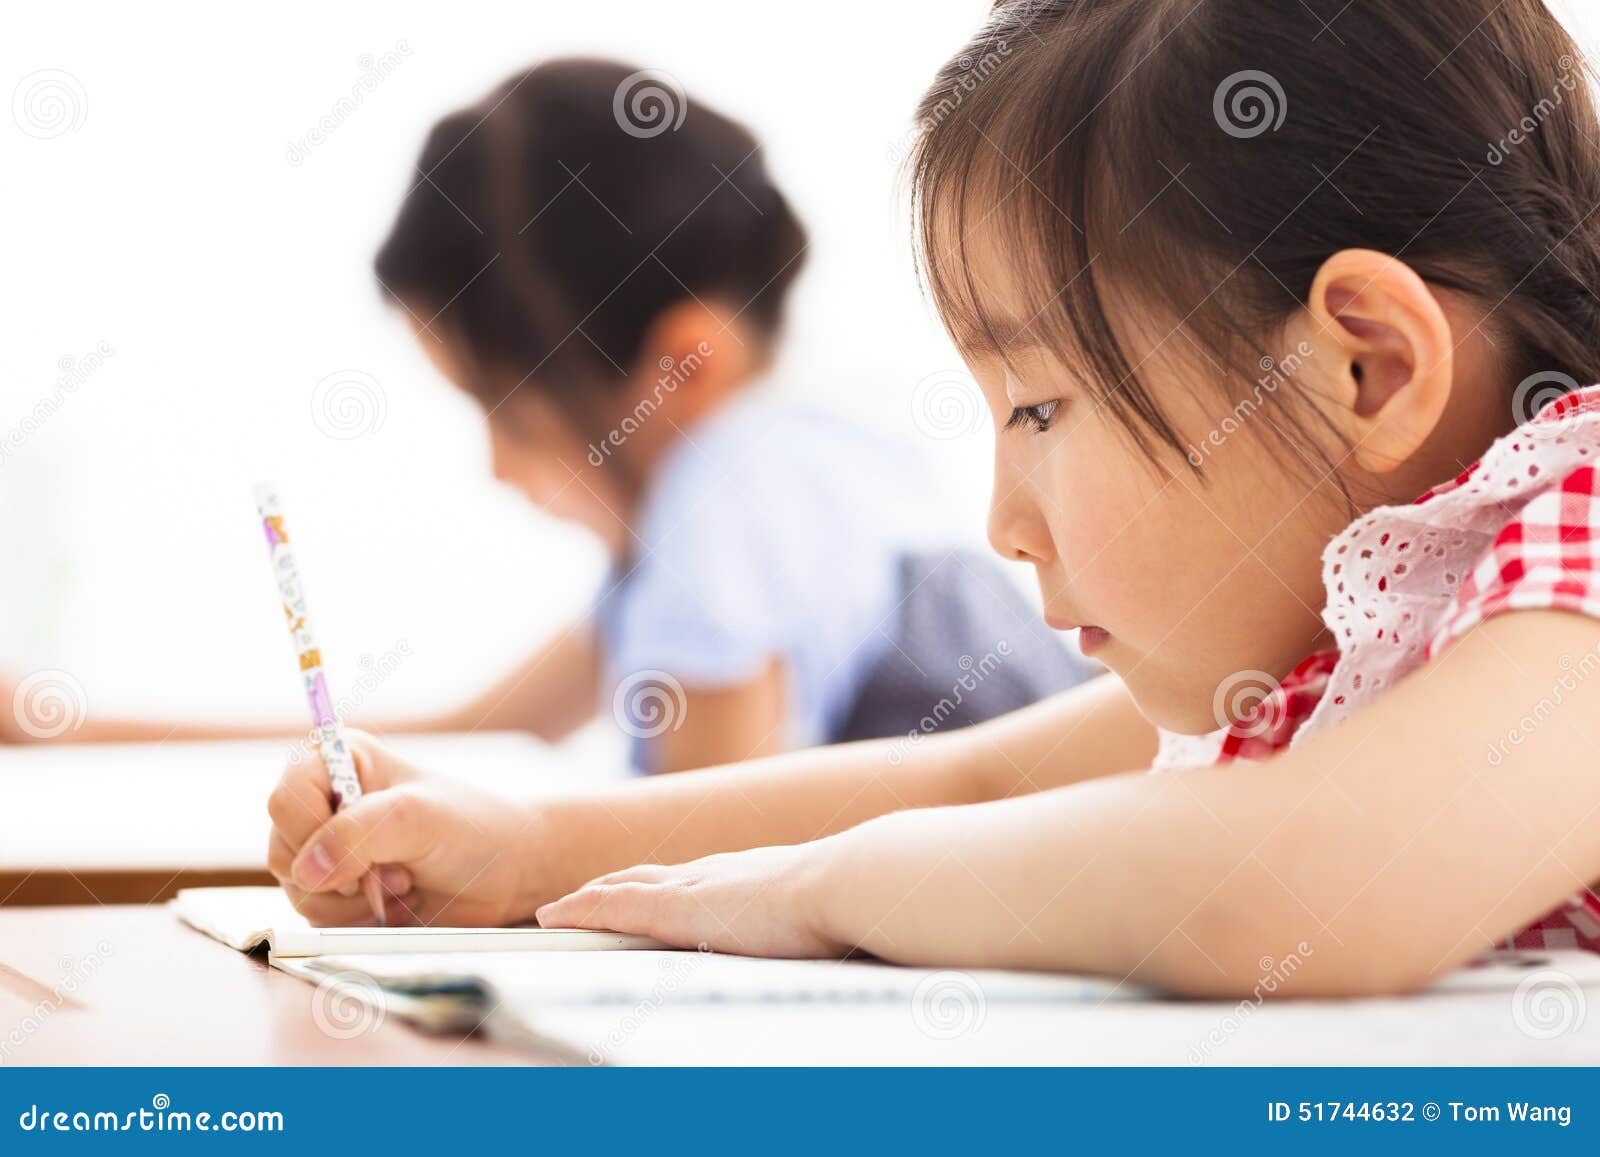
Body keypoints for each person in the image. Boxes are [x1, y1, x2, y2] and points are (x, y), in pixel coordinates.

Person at [271, 1, 1600, 996]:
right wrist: (526, 846)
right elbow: (972, 776)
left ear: (1365, 366)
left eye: (1040, 410)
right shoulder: (1342, 635)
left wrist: (825, 890)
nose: (1001, 525)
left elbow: (1294, 885)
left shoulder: (1582, 546)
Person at [2, 58, 1090, 772]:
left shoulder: (728, 505)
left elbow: (699, 855)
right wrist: (64, 730)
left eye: (508, 413)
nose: (496, 466)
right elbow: (474, 735)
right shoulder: (810, 465)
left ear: (683, 366)